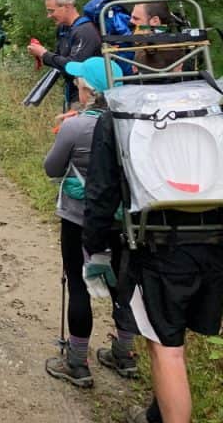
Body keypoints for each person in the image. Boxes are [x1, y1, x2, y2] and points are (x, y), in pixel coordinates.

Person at [84, 66, 223, 423]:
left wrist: (95, 247)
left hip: (159, 245)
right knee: (179, 339)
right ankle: (157, 413)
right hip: (216, 237)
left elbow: (101, 194)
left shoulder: (123, 109)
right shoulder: (215, 101)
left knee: (167, 349)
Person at [43, 57, 138, 388]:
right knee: (122, 283)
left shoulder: (76, 126)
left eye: (80, 84)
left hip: (78, 217)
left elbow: (52, 168)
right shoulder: (132, 122)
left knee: (78, 281)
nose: (78, 89)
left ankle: (77, 362)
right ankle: (124, 355)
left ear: (89, 91)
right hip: (121, 219)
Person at [27, 0, 101, 108]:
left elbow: (73, 66)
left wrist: (44, 54)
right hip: (71, 92)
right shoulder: (63, 29)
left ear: (67, 7)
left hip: (88, 96)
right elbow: (58, 60)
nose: (49, 16)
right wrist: (41, 55)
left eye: (52, 11)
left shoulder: (85, 32)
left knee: (73, 127)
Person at [129, 1, 184, 73]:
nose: (130, 21)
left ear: (155, 21)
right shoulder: (140, 41)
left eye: (136, 18)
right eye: (131, 18)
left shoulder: (171, 47)